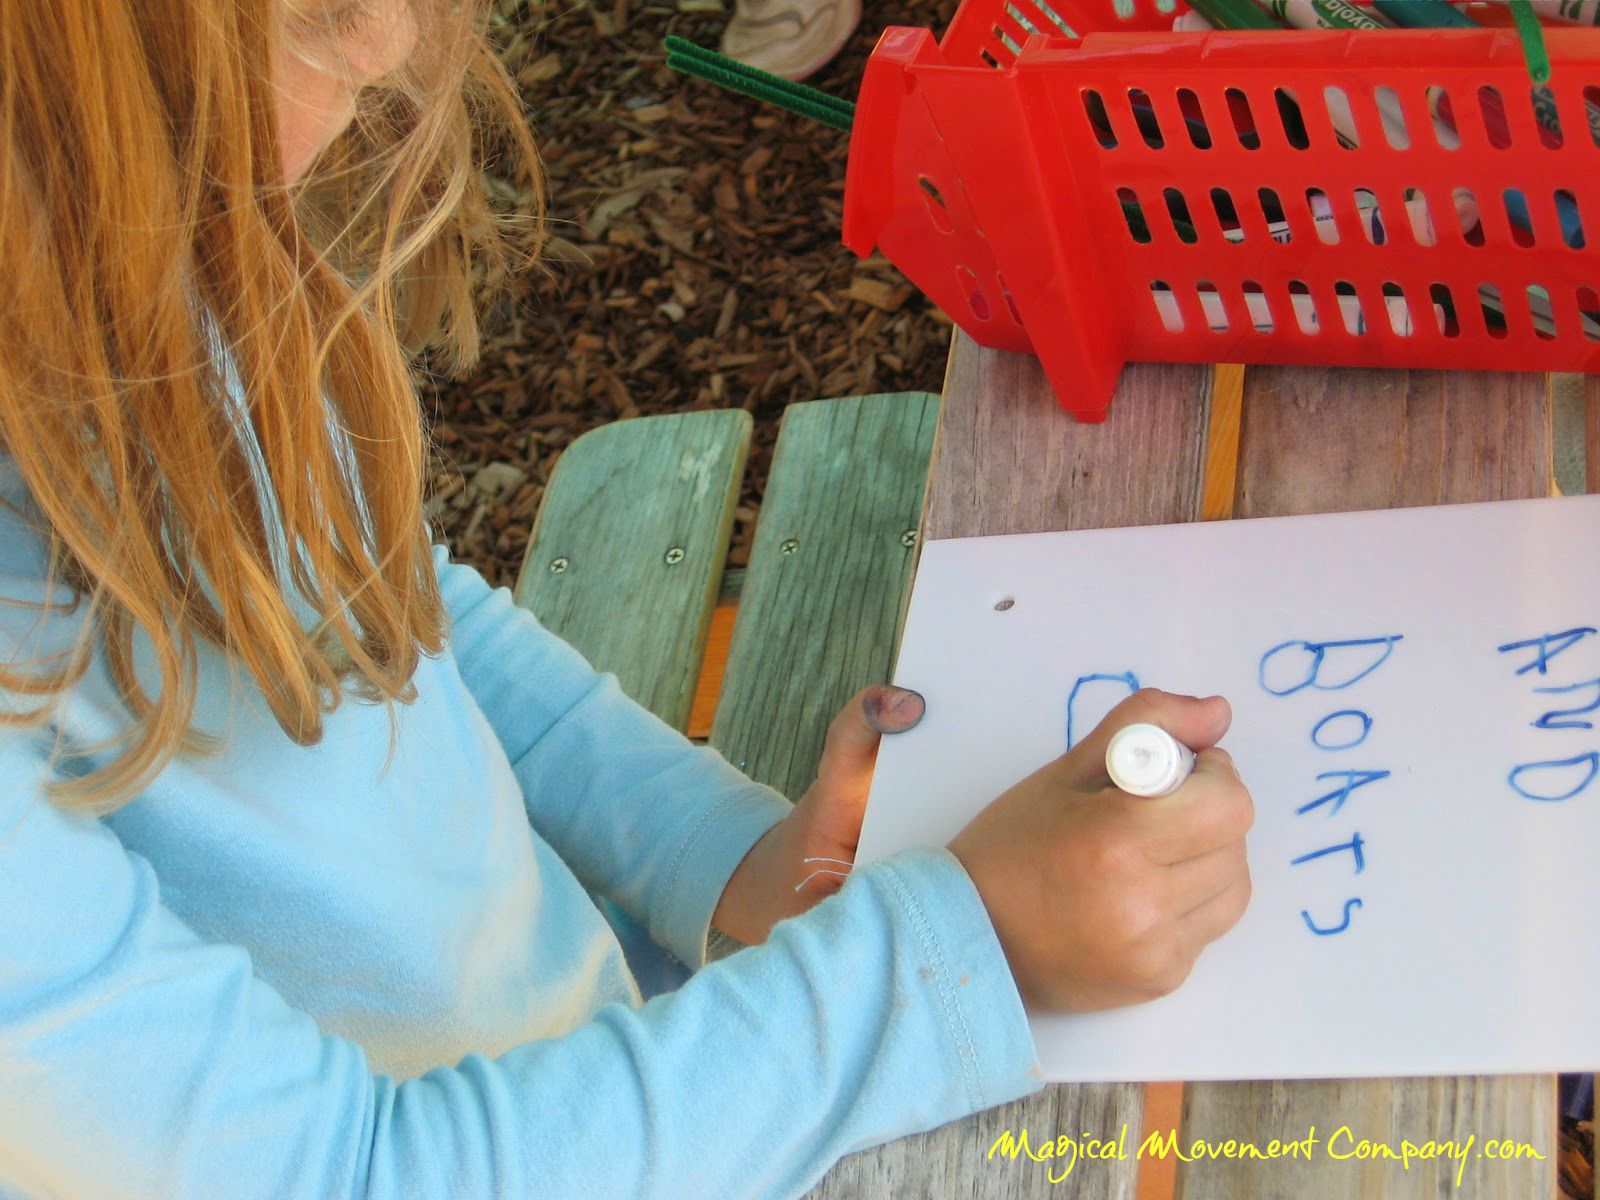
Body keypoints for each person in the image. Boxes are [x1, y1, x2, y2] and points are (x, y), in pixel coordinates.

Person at [0, 3, 1255, 1198]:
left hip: (608, 1069)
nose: (388, 42)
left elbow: (396, 610)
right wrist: (954, 955)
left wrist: (728, 857)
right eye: (306, 15)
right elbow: (351, 1175)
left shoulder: (129, 262)